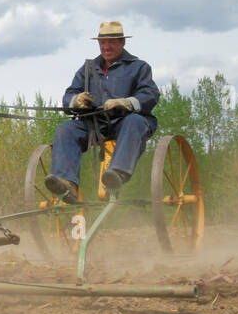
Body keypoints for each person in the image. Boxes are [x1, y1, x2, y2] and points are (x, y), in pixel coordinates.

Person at [45, 21, 159, 201]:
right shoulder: (88, 69)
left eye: (112, 42)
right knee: (65, 129)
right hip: (95, 125)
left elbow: (150, 94)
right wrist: (77, 100)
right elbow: (69, 95)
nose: (106, 47)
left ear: (122, 42)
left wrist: (126, 102)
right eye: (102, 42)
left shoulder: (139, 67)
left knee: (134, 121)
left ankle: (117, 175)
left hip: (126, 123)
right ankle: (66, 183)